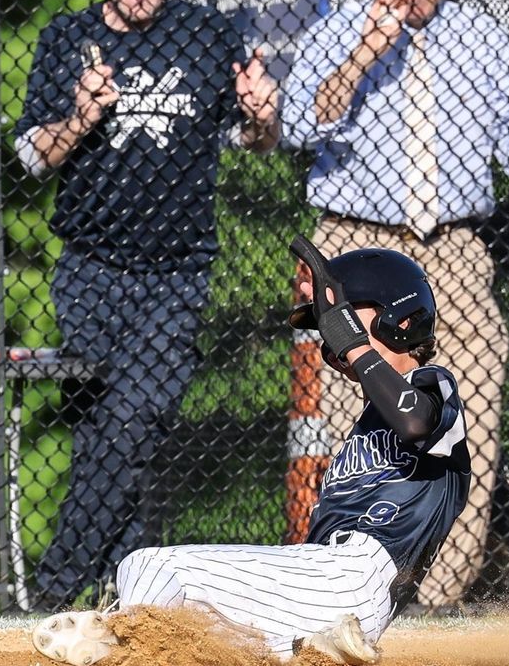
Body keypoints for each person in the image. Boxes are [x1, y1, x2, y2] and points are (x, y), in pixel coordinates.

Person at [279, 0, 509, 610]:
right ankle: (361, 588)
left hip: (451, 249)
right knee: (356, 426)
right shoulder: (338, 29)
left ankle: (437, 602)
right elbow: (300, 124)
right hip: (357, 245)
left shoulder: (482, 37)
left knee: (469, 421)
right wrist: (365, 54)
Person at [32, 246, 470, 666]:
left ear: (400, 316)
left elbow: (415, 421)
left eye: (344, 320)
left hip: (353, 573)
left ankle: (112, 639)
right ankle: (311, 648)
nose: (332, 342)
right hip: (329, 591)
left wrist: (356, 344)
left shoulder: (434, 387)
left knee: (149, 566)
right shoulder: (370, 423)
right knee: (209, 630)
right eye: (329, 330)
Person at [13, 0, 279, 610]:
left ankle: (55, 587)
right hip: (91, 271)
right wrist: (81, 116)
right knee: (107, 436)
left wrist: (260, 115)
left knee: (133, 421)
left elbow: (254, 141)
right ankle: (123, 597)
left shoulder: (207, 32)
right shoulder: (68, 37)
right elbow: (31, 157)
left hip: (178, 273)